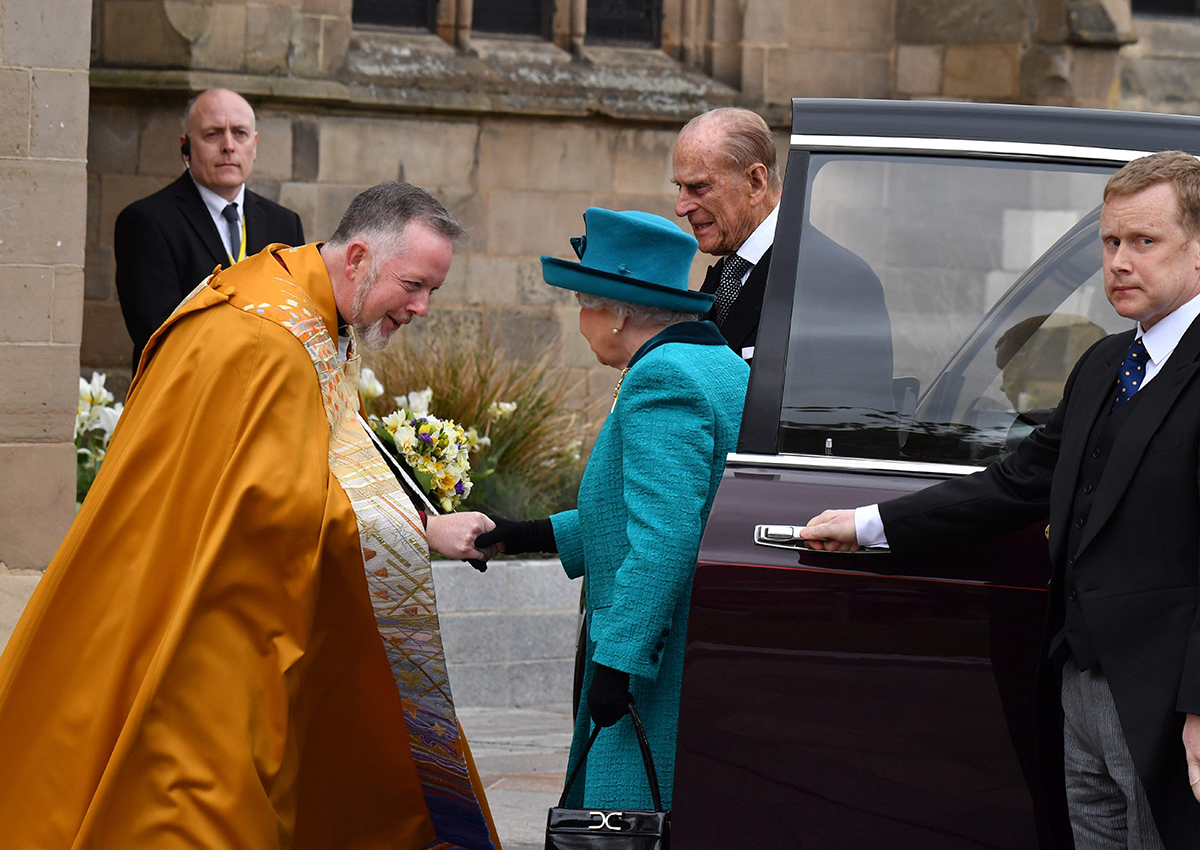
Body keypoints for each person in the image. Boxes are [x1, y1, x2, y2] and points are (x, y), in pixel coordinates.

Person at [0, 182, 503, 849]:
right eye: (414, 285)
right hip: (208, 618)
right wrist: (419, 528)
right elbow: (276, 507)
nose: (422, 307)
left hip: (222, 595)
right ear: (357, 257)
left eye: (431, 290)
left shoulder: (292, 292)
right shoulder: (271, 339)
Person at [800, 151, 1200, 849]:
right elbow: (1017, 484)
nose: (1120, 263)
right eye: (1111, 242)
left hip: (1169, 705)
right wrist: (868, 525)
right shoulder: (1105, 363)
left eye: (1145, 242)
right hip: (1078, 686)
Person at [474, 208, 750, 810]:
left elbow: (665, 534)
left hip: (657, 656)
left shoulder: (663, 379)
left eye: (584, 304)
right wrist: (521, 534)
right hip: (684, 637)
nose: (581, 323)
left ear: (620, 312)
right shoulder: (715, 362)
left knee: (621, 817)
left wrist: (619, 661)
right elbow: (656, 508)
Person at [672, 107, 893, 413]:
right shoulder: (726, 275)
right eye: (679, 188)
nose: (681, 207)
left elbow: (850, 429)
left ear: (756, 182)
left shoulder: (839, 283)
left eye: (699, 187)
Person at [115, 88, 306, 368]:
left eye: (239, 133)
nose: (228, 145)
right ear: (186, 148)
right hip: (184, 401)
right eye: (212, 134)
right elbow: (157, 335)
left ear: (254, 145)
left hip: (264, 401)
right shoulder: (146, 222)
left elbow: (299, 321)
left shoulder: (285, 223)